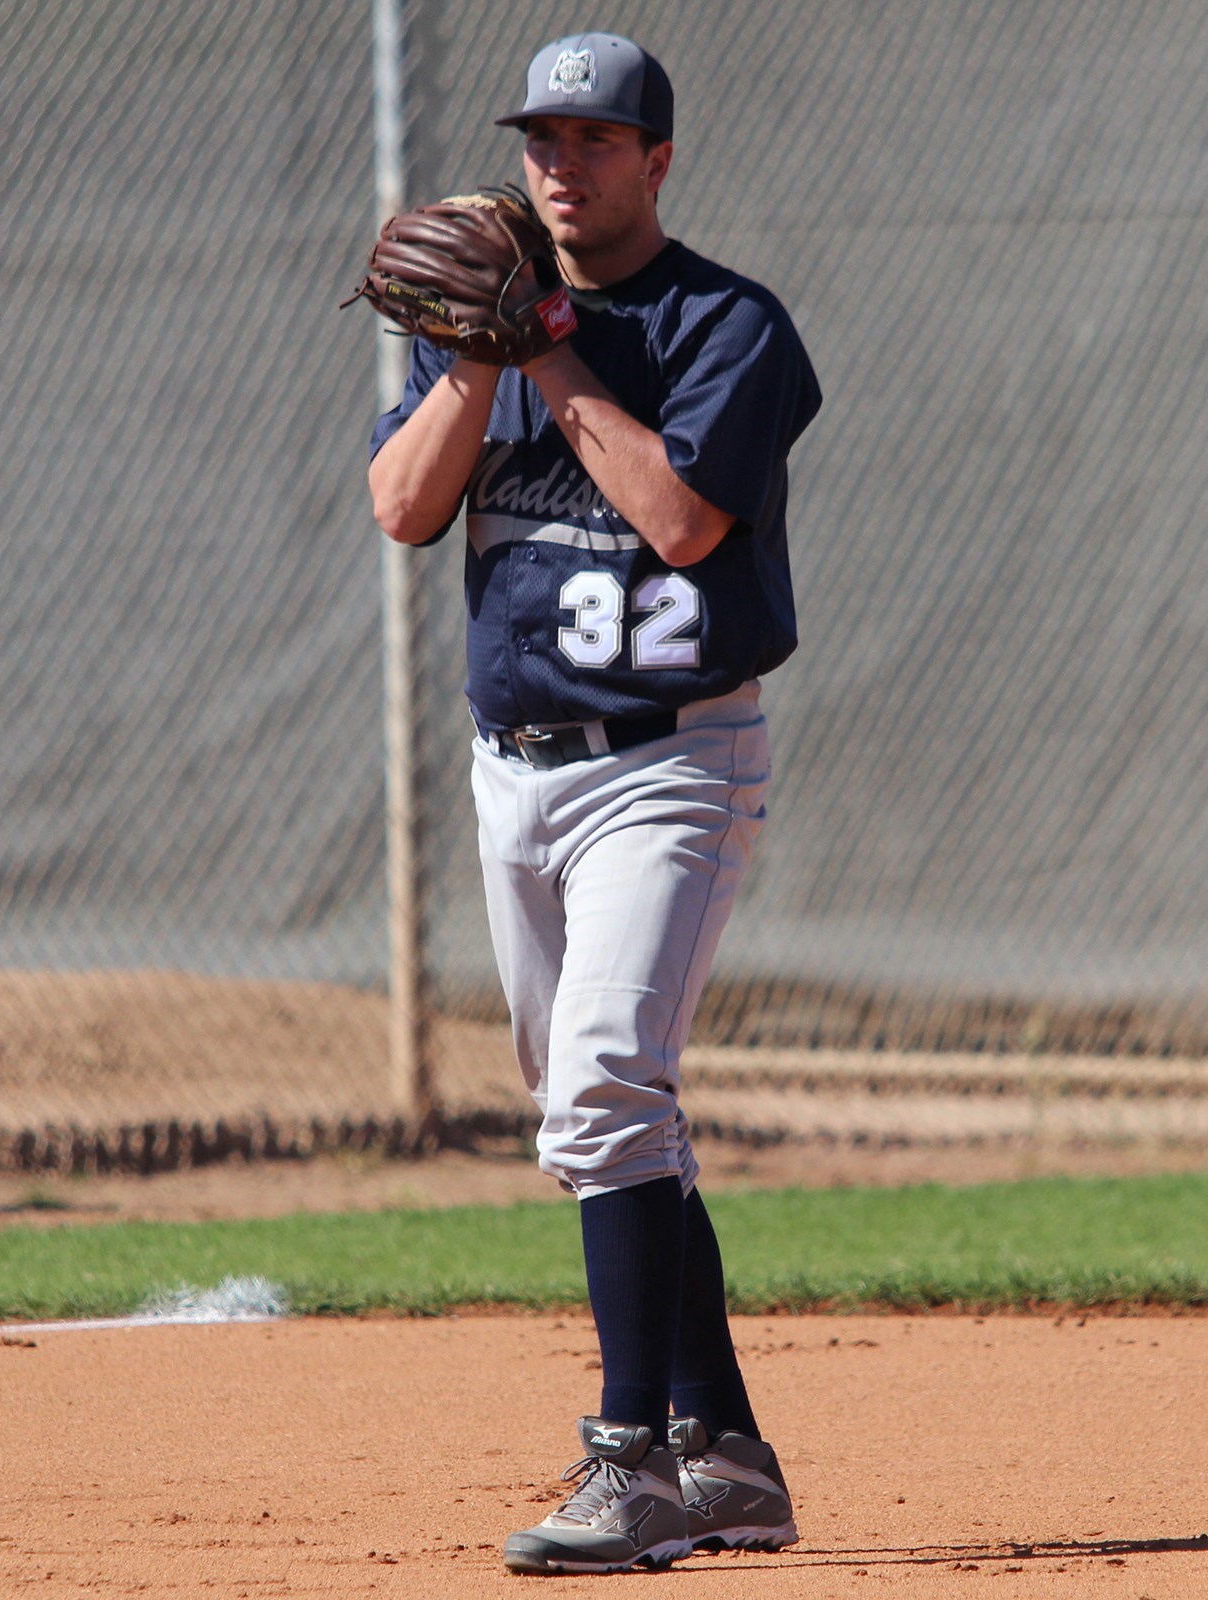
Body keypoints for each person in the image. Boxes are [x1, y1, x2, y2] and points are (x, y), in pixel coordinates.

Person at [367, 30, 821, 1577]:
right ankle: (732, 1452)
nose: (559, 165)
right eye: (541, 140)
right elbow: (402, 508)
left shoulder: (726, 325)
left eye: (594, 138)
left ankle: (631, 1464)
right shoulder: (474, 326)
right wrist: (481, 355)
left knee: (608, 1085)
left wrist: (553, 349)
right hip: (519, 774)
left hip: (674, 762)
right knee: (598, 1125)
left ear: (656, 160)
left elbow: (688, 520)